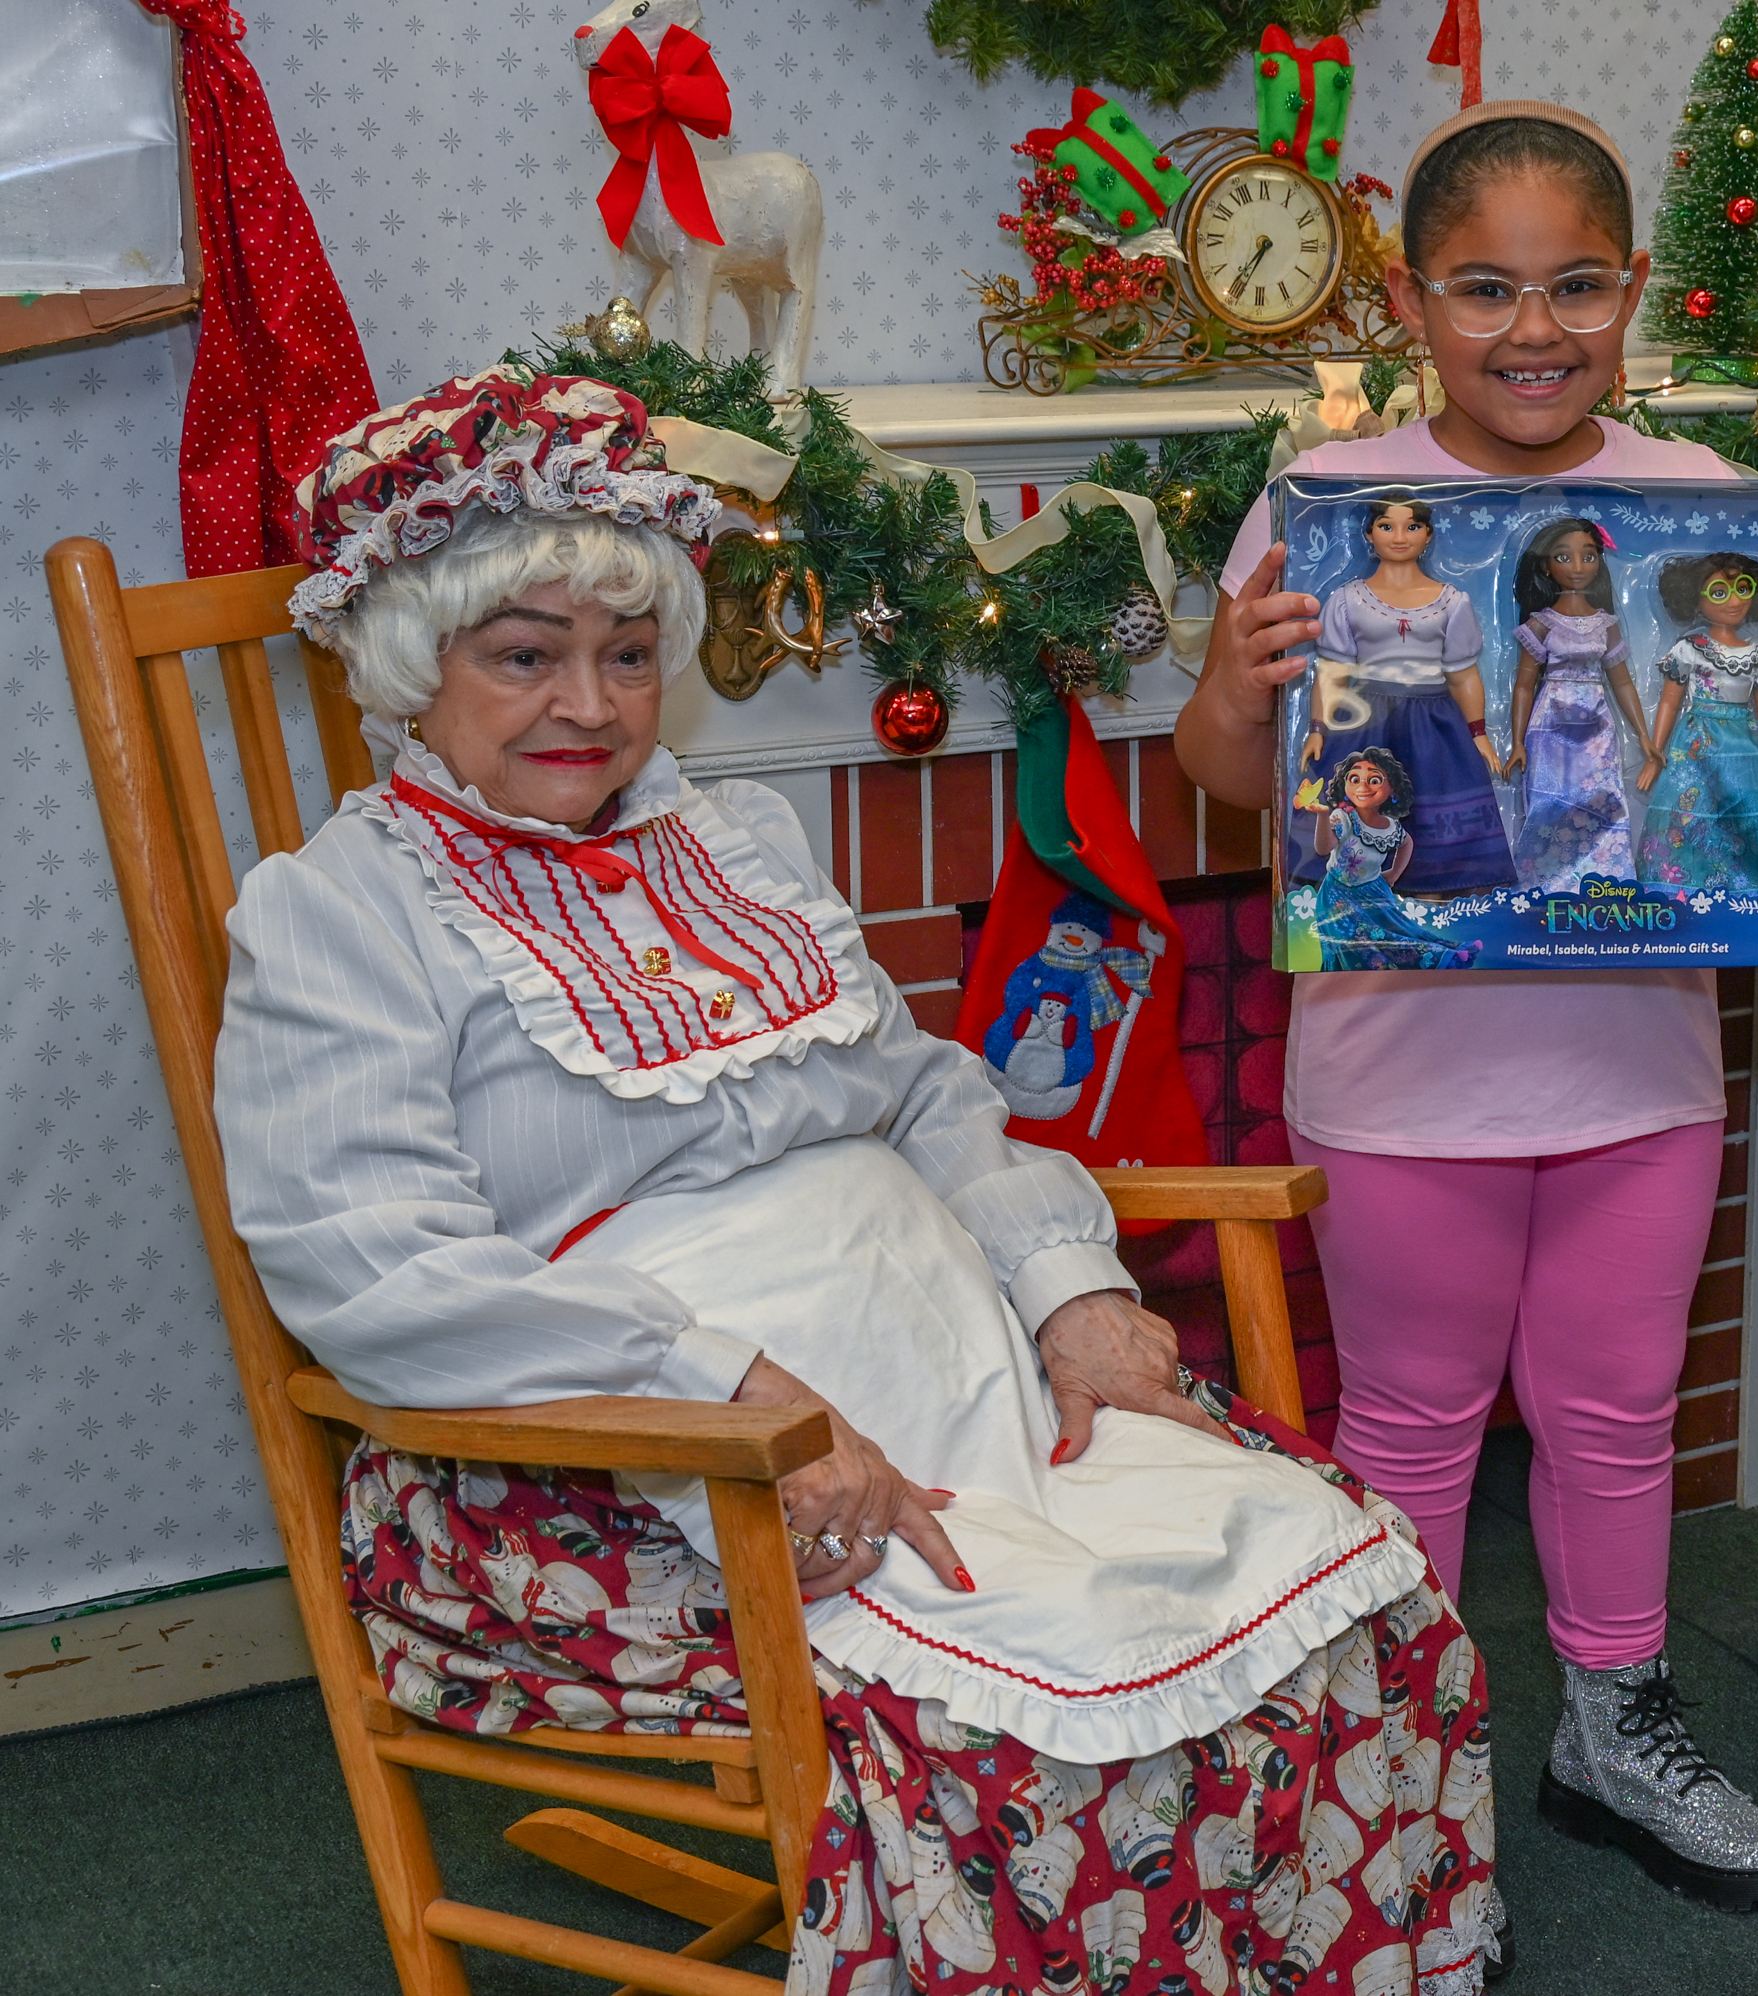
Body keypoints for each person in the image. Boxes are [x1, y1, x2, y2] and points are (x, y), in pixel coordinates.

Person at [220, 369, 1501, 1995]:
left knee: (1353, 1591)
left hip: (958, 1382)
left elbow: (926, 1101)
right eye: (525, 655)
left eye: (627, 655)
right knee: (1027, 1741)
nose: (593, 705)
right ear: (415, 662)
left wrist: (1079, 1295)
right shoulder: (344, 917)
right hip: (622, 1451)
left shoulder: (730, 842)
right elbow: (376, 1273)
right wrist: (740, 1396)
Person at [1177, 99, 1758, 1913]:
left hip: (1638, 1071)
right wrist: (1233, 681)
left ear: (1635, 291)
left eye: (1578, 286)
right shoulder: (1328, 503)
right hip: (1399, 1079)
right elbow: (1230, 781)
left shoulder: (1703, 506)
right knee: (1411, 1424)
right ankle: (1407, 1769)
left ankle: (1612, 1724)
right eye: (1485, 289)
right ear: (1411, 293)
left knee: (1616, 1415)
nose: (1535, 329)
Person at [1293, 494, 1518, 897]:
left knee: (1434, 805)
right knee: (1359, 804)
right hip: (1365, 721)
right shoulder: (1347, 600)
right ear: (1369, 534)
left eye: (1412, 526)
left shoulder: (1452, 601)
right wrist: (1317, 727)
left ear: (1428, 535)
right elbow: (1332, 672)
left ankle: (1432, 897)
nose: (1399, 537)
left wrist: (1478, 732)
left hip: (1432, 722)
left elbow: (1463, 675)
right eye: (1387, 526)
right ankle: (1359, 893)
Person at [1634, 553, 1758, 894]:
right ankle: (1686, 888)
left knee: (1749, 809)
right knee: (1693, 811)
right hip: (1699, 741)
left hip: (1745, 744)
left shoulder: (1756, 651)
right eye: (1718, 591)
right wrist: (1655, 754)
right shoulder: (1691, 648)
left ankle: (1752, 888)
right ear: (1694, 599)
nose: (1734, 600)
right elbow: (1670, 700)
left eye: (1743, 588)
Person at [1502, 516, 1645, 892]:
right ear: (1546, 566)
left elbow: (1623, 680)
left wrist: (1644, 738)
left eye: (1589, 556)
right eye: (1564, 558)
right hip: (1552, 725)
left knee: (1603, 799)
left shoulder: (1605, 623)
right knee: (1552, 802)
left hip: (1597, 725)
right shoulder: (1542, 624)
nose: (1578, 567)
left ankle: (1608, 882)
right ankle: (1545, 886)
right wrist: (1517, 743)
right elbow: (1524, 685)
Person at [1311, 748, 1483, 969]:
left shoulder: (1391, 826)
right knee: (1354, 942)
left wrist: (1393, 874)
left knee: (1398, 929)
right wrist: (1322, 815)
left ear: (1391, 787)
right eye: (1354, 778)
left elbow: (1406, 843)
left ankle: (1444, 953)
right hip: (1337, 896)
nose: (1362, 786)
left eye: (1374, 780)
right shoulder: (1342, 818)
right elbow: (1323, 848)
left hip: (1373, 891)